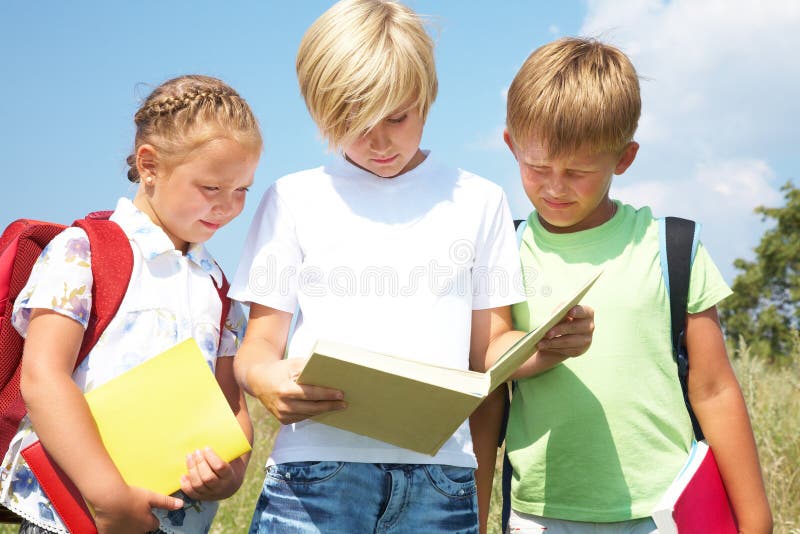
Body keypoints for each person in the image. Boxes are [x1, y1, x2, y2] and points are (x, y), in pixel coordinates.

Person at [230, 1, 594, 533]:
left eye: (397, 118)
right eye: (354, 122)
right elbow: (257, 346)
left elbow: (486, 353)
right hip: (315, 472)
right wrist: (265, 381)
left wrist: (546, 346)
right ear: (318, 111)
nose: (379, 141)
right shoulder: (291, 198)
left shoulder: (479, 200)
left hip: (440, 478)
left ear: (427, 97)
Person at [494, 36, 773, 533]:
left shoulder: (672, 245)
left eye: (577, 171)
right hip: (539, 516)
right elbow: (488, 373)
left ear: (624, 158)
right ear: (511, 144)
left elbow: (713, 388)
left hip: (665, 512)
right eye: (536, 167)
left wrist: (756, 522)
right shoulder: (504, 250)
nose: (555, 186)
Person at [0, 74, 261, 534]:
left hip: (179, 520)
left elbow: (230, 401)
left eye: (242, 190)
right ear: (150, 166)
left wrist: (230, 474)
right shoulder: (84, 251)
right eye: (211, 188)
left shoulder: (220, 286)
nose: (228, 206)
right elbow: (43, 378)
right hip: (74, 516)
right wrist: (109, 497)